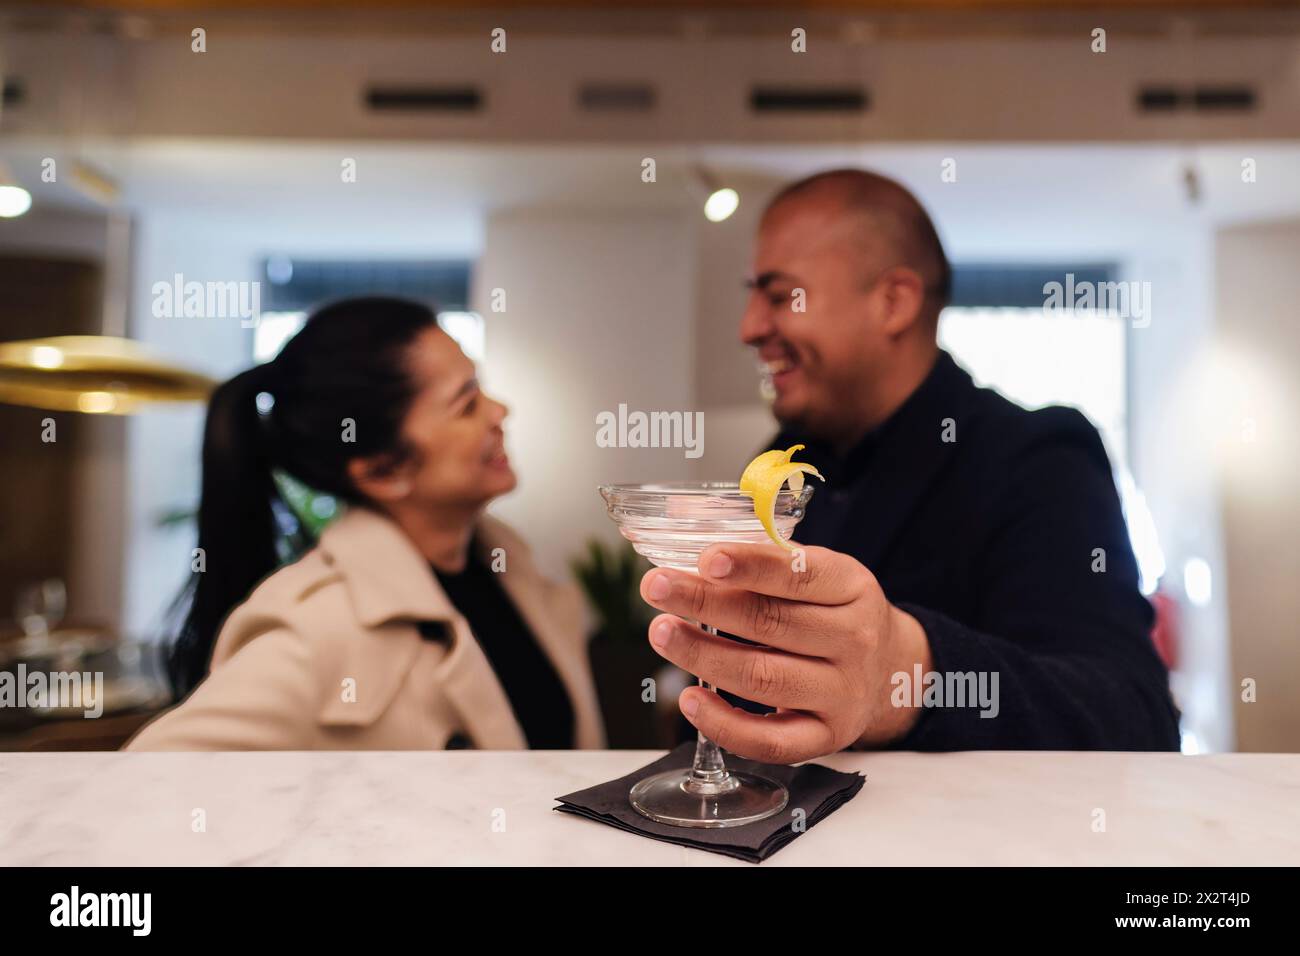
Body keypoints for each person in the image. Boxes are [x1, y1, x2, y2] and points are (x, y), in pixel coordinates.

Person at [638, 169, 1181, 759]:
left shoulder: (1038, 457)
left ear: (893, 302)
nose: (750, 328)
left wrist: (912, 677)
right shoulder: (779, 463)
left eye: (779, 295)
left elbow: (1134, 717)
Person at [125, 297, 603, 751]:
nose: (500, 412)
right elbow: (151, 782)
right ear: (383, 471)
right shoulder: (313, 629)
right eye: (467, 403)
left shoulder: (514, 574)